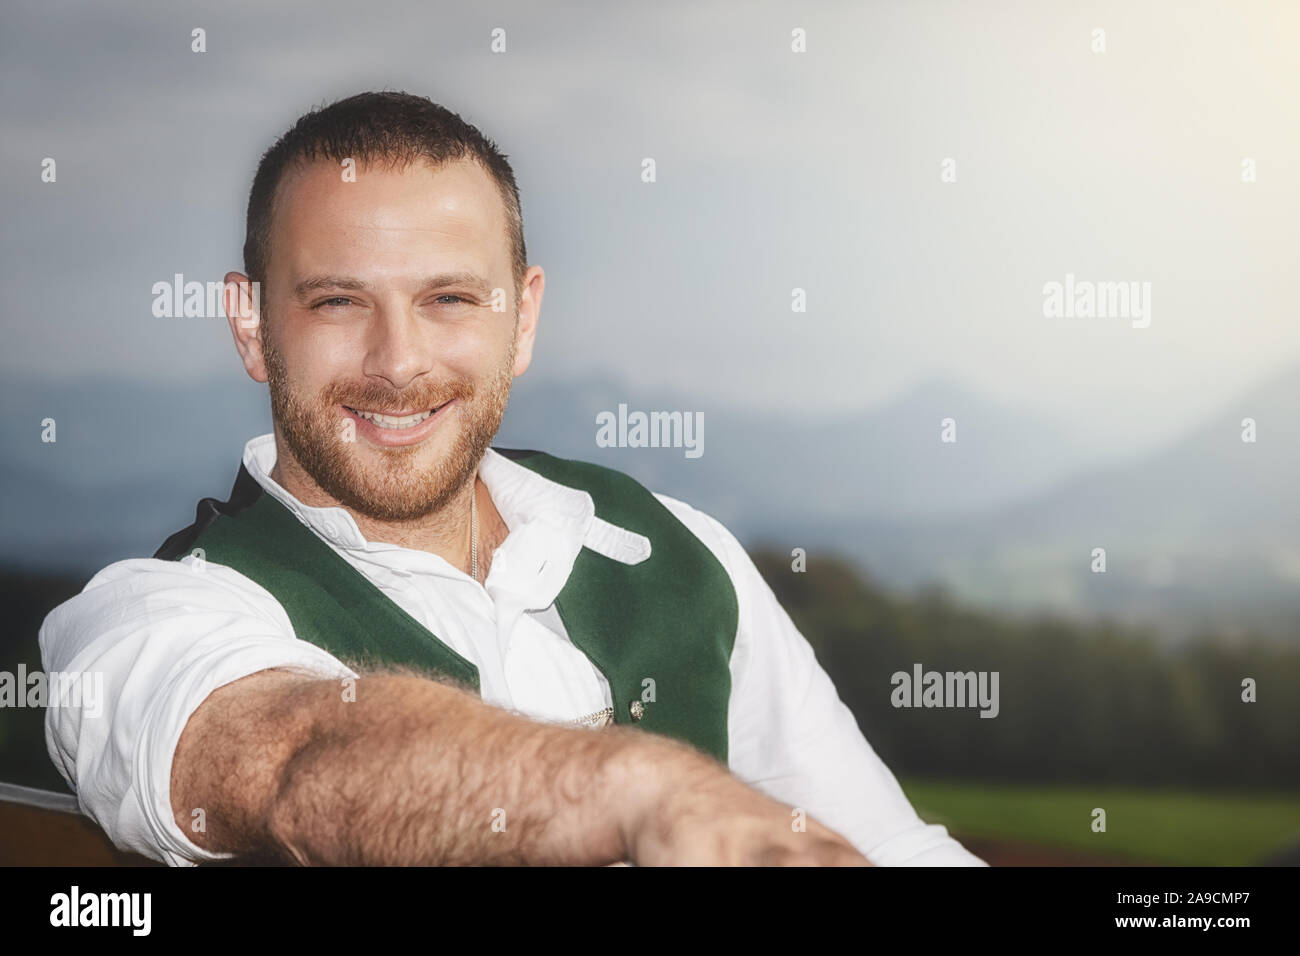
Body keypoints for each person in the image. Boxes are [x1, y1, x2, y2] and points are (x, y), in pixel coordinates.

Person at [40, 91, 986, 867]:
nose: (397, 361)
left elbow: (891, 847)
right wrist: (638, 791)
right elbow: (289, 762)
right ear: (250, 325)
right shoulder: (147, 622)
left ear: (523, 317)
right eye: (337, 301)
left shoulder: (674, 544)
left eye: (449, 298)